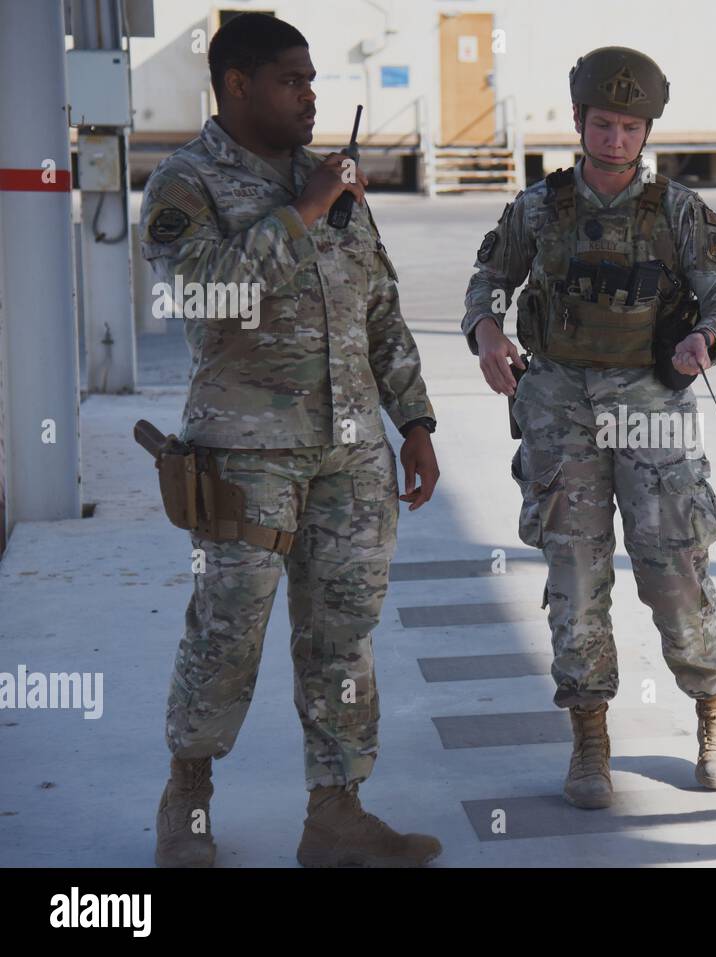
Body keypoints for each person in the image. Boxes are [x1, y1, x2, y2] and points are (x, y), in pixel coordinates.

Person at [140, 12, 441, 866]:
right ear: (237, 84)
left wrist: (413, 420)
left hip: (352, 455)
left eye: (313, 80)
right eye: (292, 80)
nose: (311, 96)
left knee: (343, 634)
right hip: (244, 457)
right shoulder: (185, 184)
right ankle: (187, 798)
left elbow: (376, 305)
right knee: (227, 628)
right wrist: (302, 214)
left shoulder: (327, 178)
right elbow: (201, 297)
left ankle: (336, 812)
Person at [461, 47, 716, 808]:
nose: (614, 139)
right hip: (560, 410)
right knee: (575, 577)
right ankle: (589, 734)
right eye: (602, 123)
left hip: (653, 408)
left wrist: (709, 339)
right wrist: (487, 333)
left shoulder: (680, 212)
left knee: (675, 570)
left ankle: (713, 709)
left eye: (629, 126)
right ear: (578, 123)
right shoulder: (538, 209)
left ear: (648, 130)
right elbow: (487, 281)